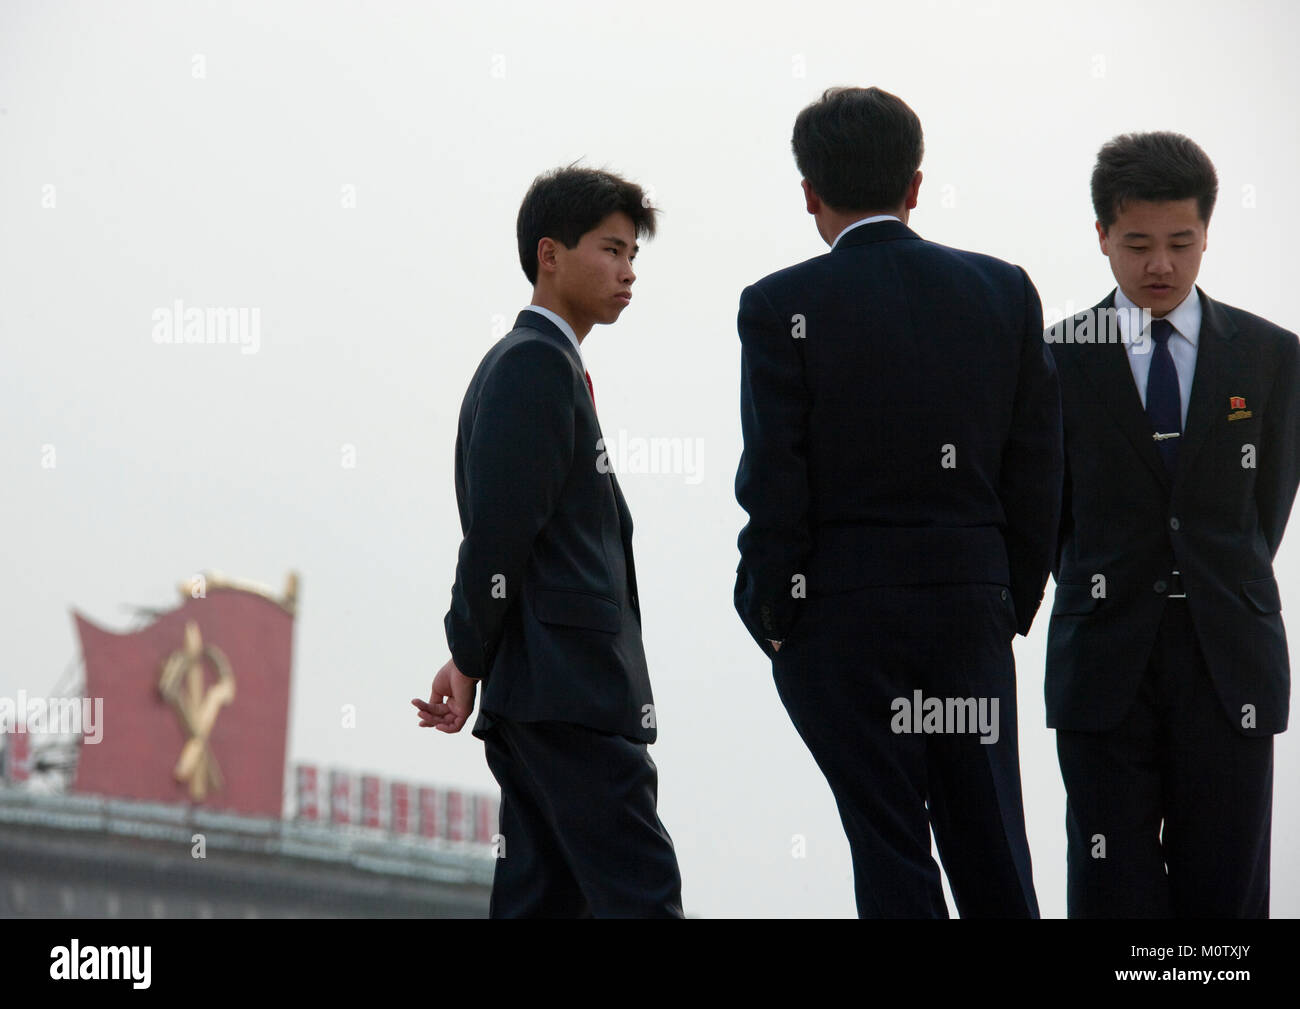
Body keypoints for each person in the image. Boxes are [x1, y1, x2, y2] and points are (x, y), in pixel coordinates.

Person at [733, 86, 1062, 917]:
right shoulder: (1004, 291)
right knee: (992, 841)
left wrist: (773, 605)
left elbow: (777, 480)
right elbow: (1039, 469)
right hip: (971, 604)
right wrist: (1007, 598)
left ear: (809, 193)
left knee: (888, 844)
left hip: (842, 614)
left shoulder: (779, 304)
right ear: (916, 184)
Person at [413, 165, 683, 918]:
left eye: (634, 255)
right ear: (549, 254)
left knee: (543, 900)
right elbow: (500, 536)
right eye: (611, 249)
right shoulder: (535, 363)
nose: (628, 272)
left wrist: (474, 657)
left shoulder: (544, 363)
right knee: (641, 891)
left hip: (543, 690)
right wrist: (468, 653)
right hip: (571, 690)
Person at [1046, 132, 1299, 917]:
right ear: (1102, 238)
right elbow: (1046, 516)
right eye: (1138, 244)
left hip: (1229, 657)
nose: (1161, 265)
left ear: (1206, 234)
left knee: (1225, 890)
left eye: (1181, 243)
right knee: (1109, 886)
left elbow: (1266, 507)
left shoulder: (1270, 356)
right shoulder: (1052, 358)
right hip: (1104, 656)